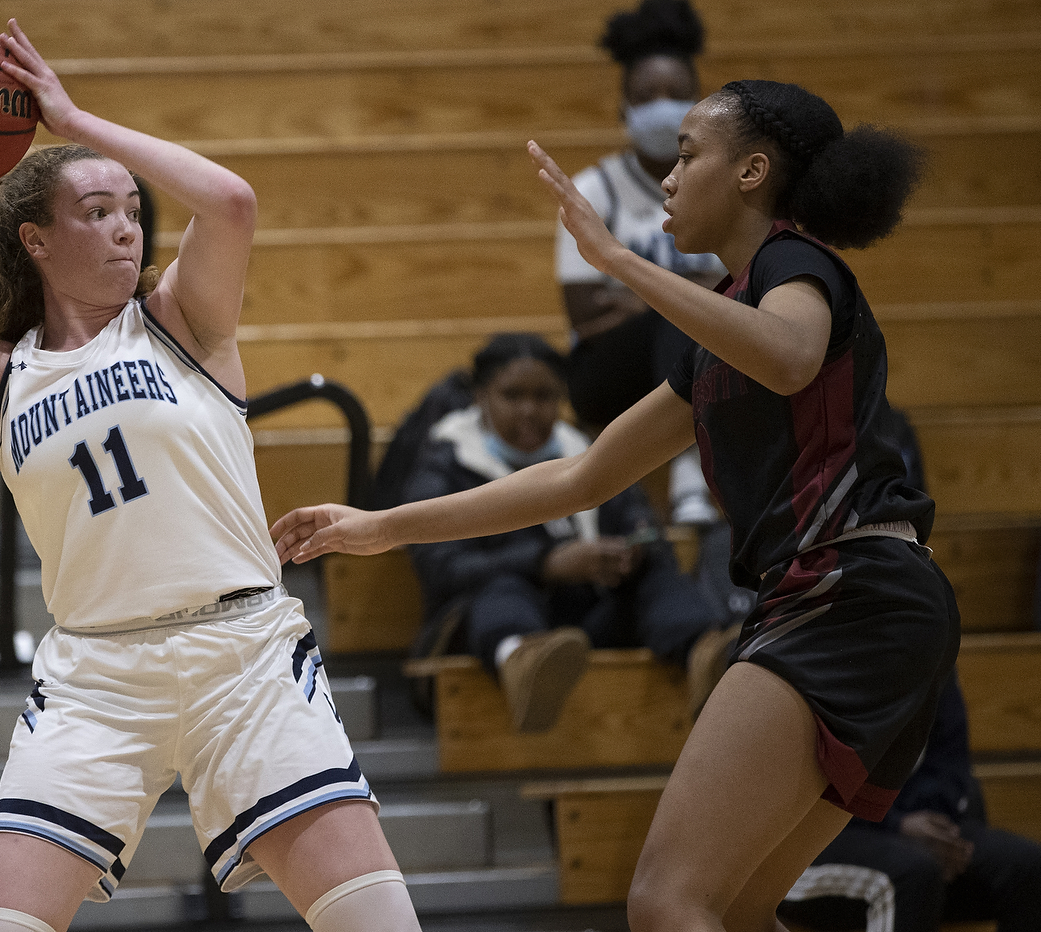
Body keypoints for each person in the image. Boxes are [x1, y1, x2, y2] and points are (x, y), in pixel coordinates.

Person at [273, 79, 959, 932]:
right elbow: (580, 478)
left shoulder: (793, 264)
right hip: (865, 600)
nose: (667, 179)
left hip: (848, 591)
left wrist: (621, 264)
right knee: (737, 910)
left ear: (752, 172)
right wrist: (379, 526)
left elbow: (789, 356)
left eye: (686, 154)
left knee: (667, 903)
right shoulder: (720, 337)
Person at [0, 20, 421, 932]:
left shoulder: (181, 321)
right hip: (95, 678)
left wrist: (75, 119)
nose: (127, 227)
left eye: (132, 208)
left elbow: (231, 200)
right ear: (36, 241)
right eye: (97, 212)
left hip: (241, 655)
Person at [402, 332, 729, 731]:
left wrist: (632, 550)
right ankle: (520, 660)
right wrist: (546, 564)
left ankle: (705, 653)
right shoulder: (444, 460)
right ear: (481, 396)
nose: (529, 411)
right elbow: (439, 566)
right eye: (513, 395)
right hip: (486, 629)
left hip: (580, 627)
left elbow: (645, 527)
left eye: (544, 397)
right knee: (501, 585)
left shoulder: (589, 452)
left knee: (655, 575)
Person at [559, 0, 724, 527]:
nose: (661, 106)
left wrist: (637, 293)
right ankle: (690, 475)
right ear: (622, 107)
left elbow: (747, 290)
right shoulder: (596, 188)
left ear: (700, 104)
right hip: (607, 377)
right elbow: (584, 316)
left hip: (710, 358)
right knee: (681, 316)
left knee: (690, 320)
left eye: (676, 94)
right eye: (645, 96)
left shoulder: (723, 187)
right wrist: (685, 291)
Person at [778, 670, 1041, 932]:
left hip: (907, 824)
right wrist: (897, 824)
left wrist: (930, 826)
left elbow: (951, 763)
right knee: (910, 876)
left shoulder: (934, 646)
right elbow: (810, 783)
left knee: (1028, 868)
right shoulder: (821, 654)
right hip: (810, 838)